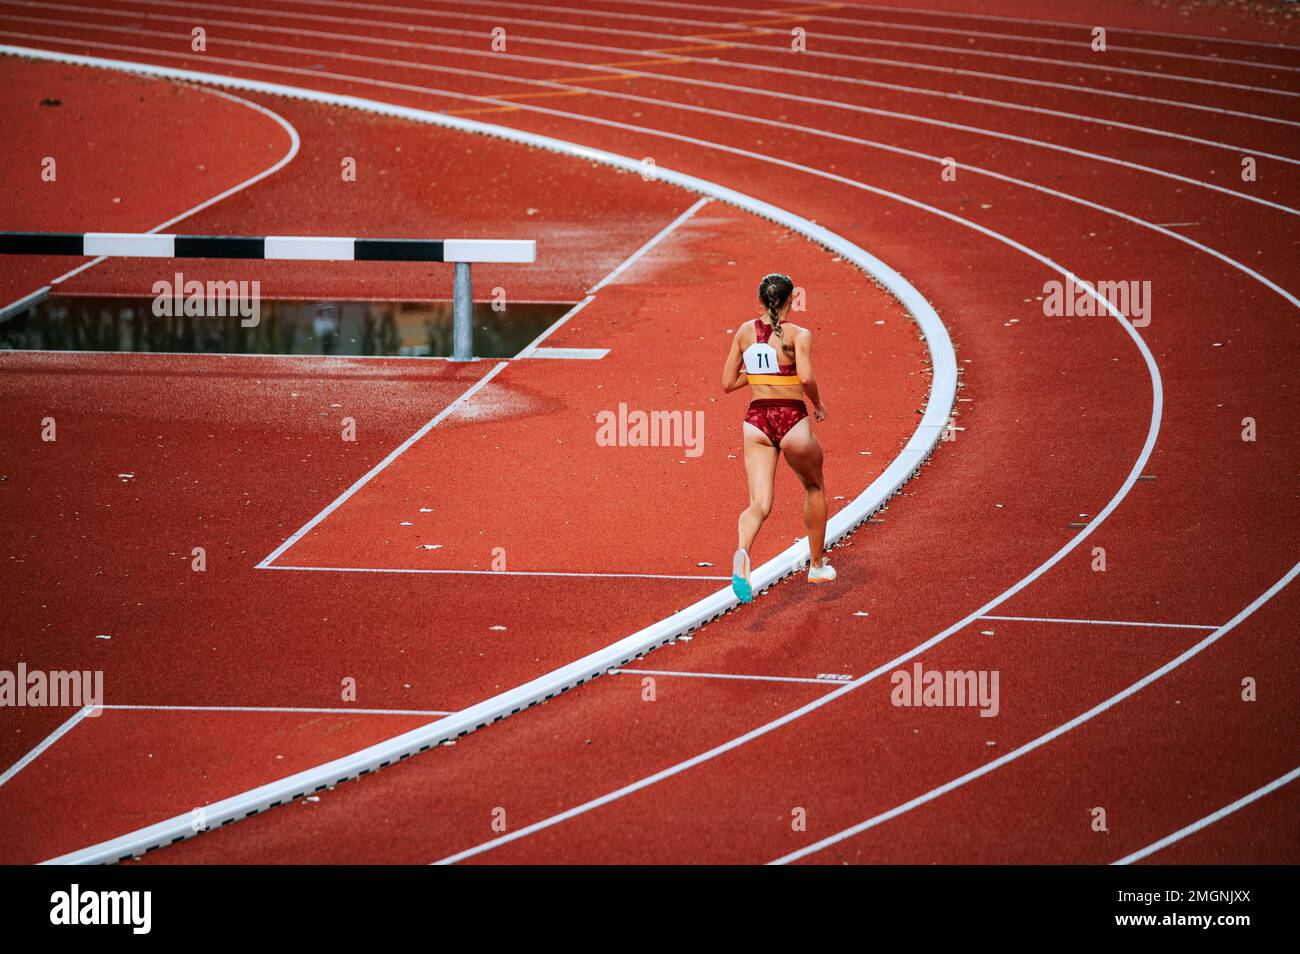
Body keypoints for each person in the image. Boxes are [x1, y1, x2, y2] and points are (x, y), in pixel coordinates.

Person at [722, 273, 834, 603]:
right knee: (814, 486)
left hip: (756, 421)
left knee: (759, 504)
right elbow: (807, 376)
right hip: (791, 419)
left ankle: (742, 552)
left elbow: (728, 383)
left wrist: (759, 373)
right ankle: (816, 565)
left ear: (761, 301)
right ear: (790, 301)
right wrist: (818, 404)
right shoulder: (799, 334)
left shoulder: (745, 332)